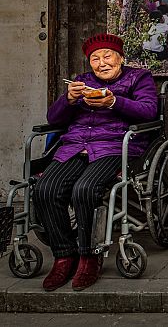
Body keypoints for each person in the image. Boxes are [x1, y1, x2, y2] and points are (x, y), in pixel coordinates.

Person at [34, 33, 157, 292]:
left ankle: (90, 257)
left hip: (114, 145)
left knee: (86, 189)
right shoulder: (81, 82)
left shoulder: (138, 78)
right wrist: (67, 99)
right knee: (45, 189)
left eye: (107, 56)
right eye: (95, 58)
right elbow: (54, 119)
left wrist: (113, 101)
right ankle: (64, 255)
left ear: (121, 58)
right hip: (75, 146)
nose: (101, 62)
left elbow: (148, 111)